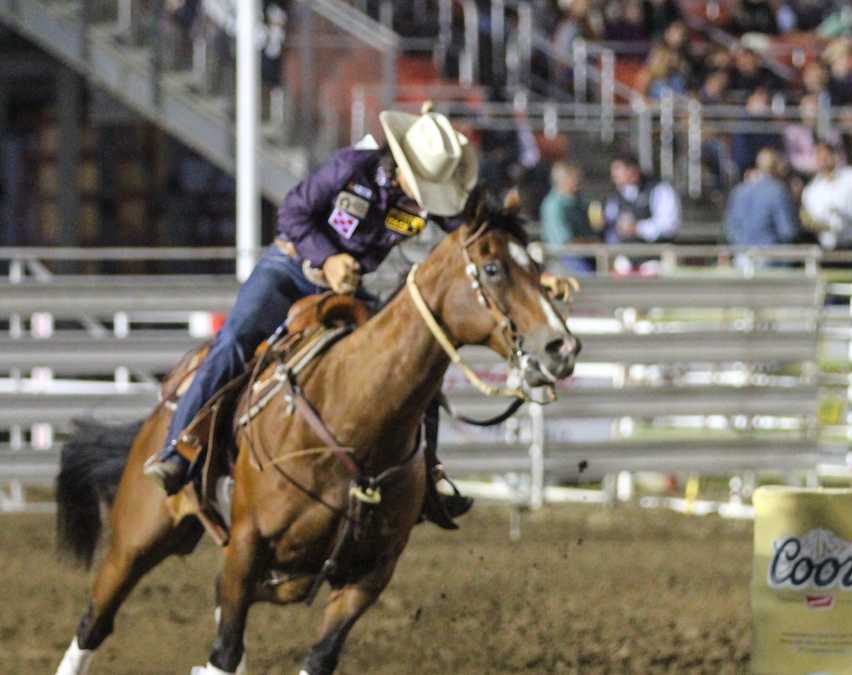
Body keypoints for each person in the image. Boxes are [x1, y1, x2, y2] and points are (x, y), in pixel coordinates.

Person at [143, 105, 478, 495]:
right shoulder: (351, 168)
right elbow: (292, 213)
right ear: (402, 164)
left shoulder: (423, 204)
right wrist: (329, 258)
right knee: (234, 341)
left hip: (344, 290)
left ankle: (425, 473)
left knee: (410, 361)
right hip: (289, 271)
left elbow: (469, 229)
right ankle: (178, 450)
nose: (426, 196)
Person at [800, 141, 852, 250]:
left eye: (826, 155)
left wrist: (844, 217)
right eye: (818, 156)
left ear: (835, 156)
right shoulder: (811, 190)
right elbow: (813, 221)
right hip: (830, 249)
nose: (822, 160)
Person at [724, 148, 799, 251]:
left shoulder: (739, 190)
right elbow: (788, 231)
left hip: (742, 255)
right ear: (777, 166)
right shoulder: (778, 191)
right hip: (771, 256)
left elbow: (730, 230)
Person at [602, 153, 681, 244]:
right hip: (624, 249)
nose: (615, 179)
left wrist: (637, 228)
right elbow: (610, 220)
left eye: (618, 174)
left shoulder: (660, 189)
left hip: (656, 249)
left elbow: (669, 226)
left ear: (633, 170)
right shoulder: (616, 195)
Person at [540, 162, 596, 275]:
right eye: (575, 178)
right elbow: (565, 242)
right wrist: (594, 243)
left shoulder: (578, 202)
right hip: (564, 258)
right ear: (562, 180)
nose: (579, 182)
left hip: (586, 254)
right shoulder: (553, 205)